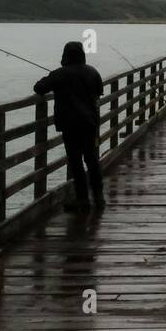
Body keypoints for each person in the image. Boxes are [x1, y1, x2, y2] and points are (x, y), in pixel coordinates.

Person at [34, 41, 104, 211]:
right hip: (90, 123)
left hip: (70, 124)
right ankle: (99, 196)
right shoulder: (92, 72)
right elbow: (99, 91)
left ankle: (82, 199)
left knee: (76, 161)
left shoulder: (60, 74)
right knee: (92, 160)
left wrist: (53, 77)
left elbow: (39, 88)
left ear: (65, 55)